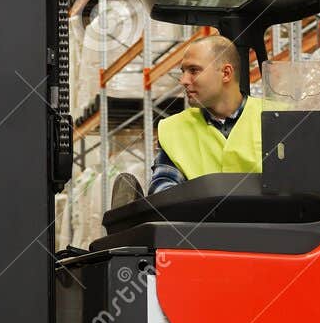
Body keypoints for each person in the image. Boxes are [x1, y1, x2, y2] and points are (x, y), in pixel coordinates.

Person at [109, 34, 272, 207]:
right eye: (183, 71)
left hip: (272, 231)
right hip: (201, 232)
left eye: (193, 70)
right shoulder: (173, 129)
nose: (183, 80)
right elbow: (164, 190)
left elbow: (296, 185)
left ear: (226, 73)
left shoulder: (278, 116)